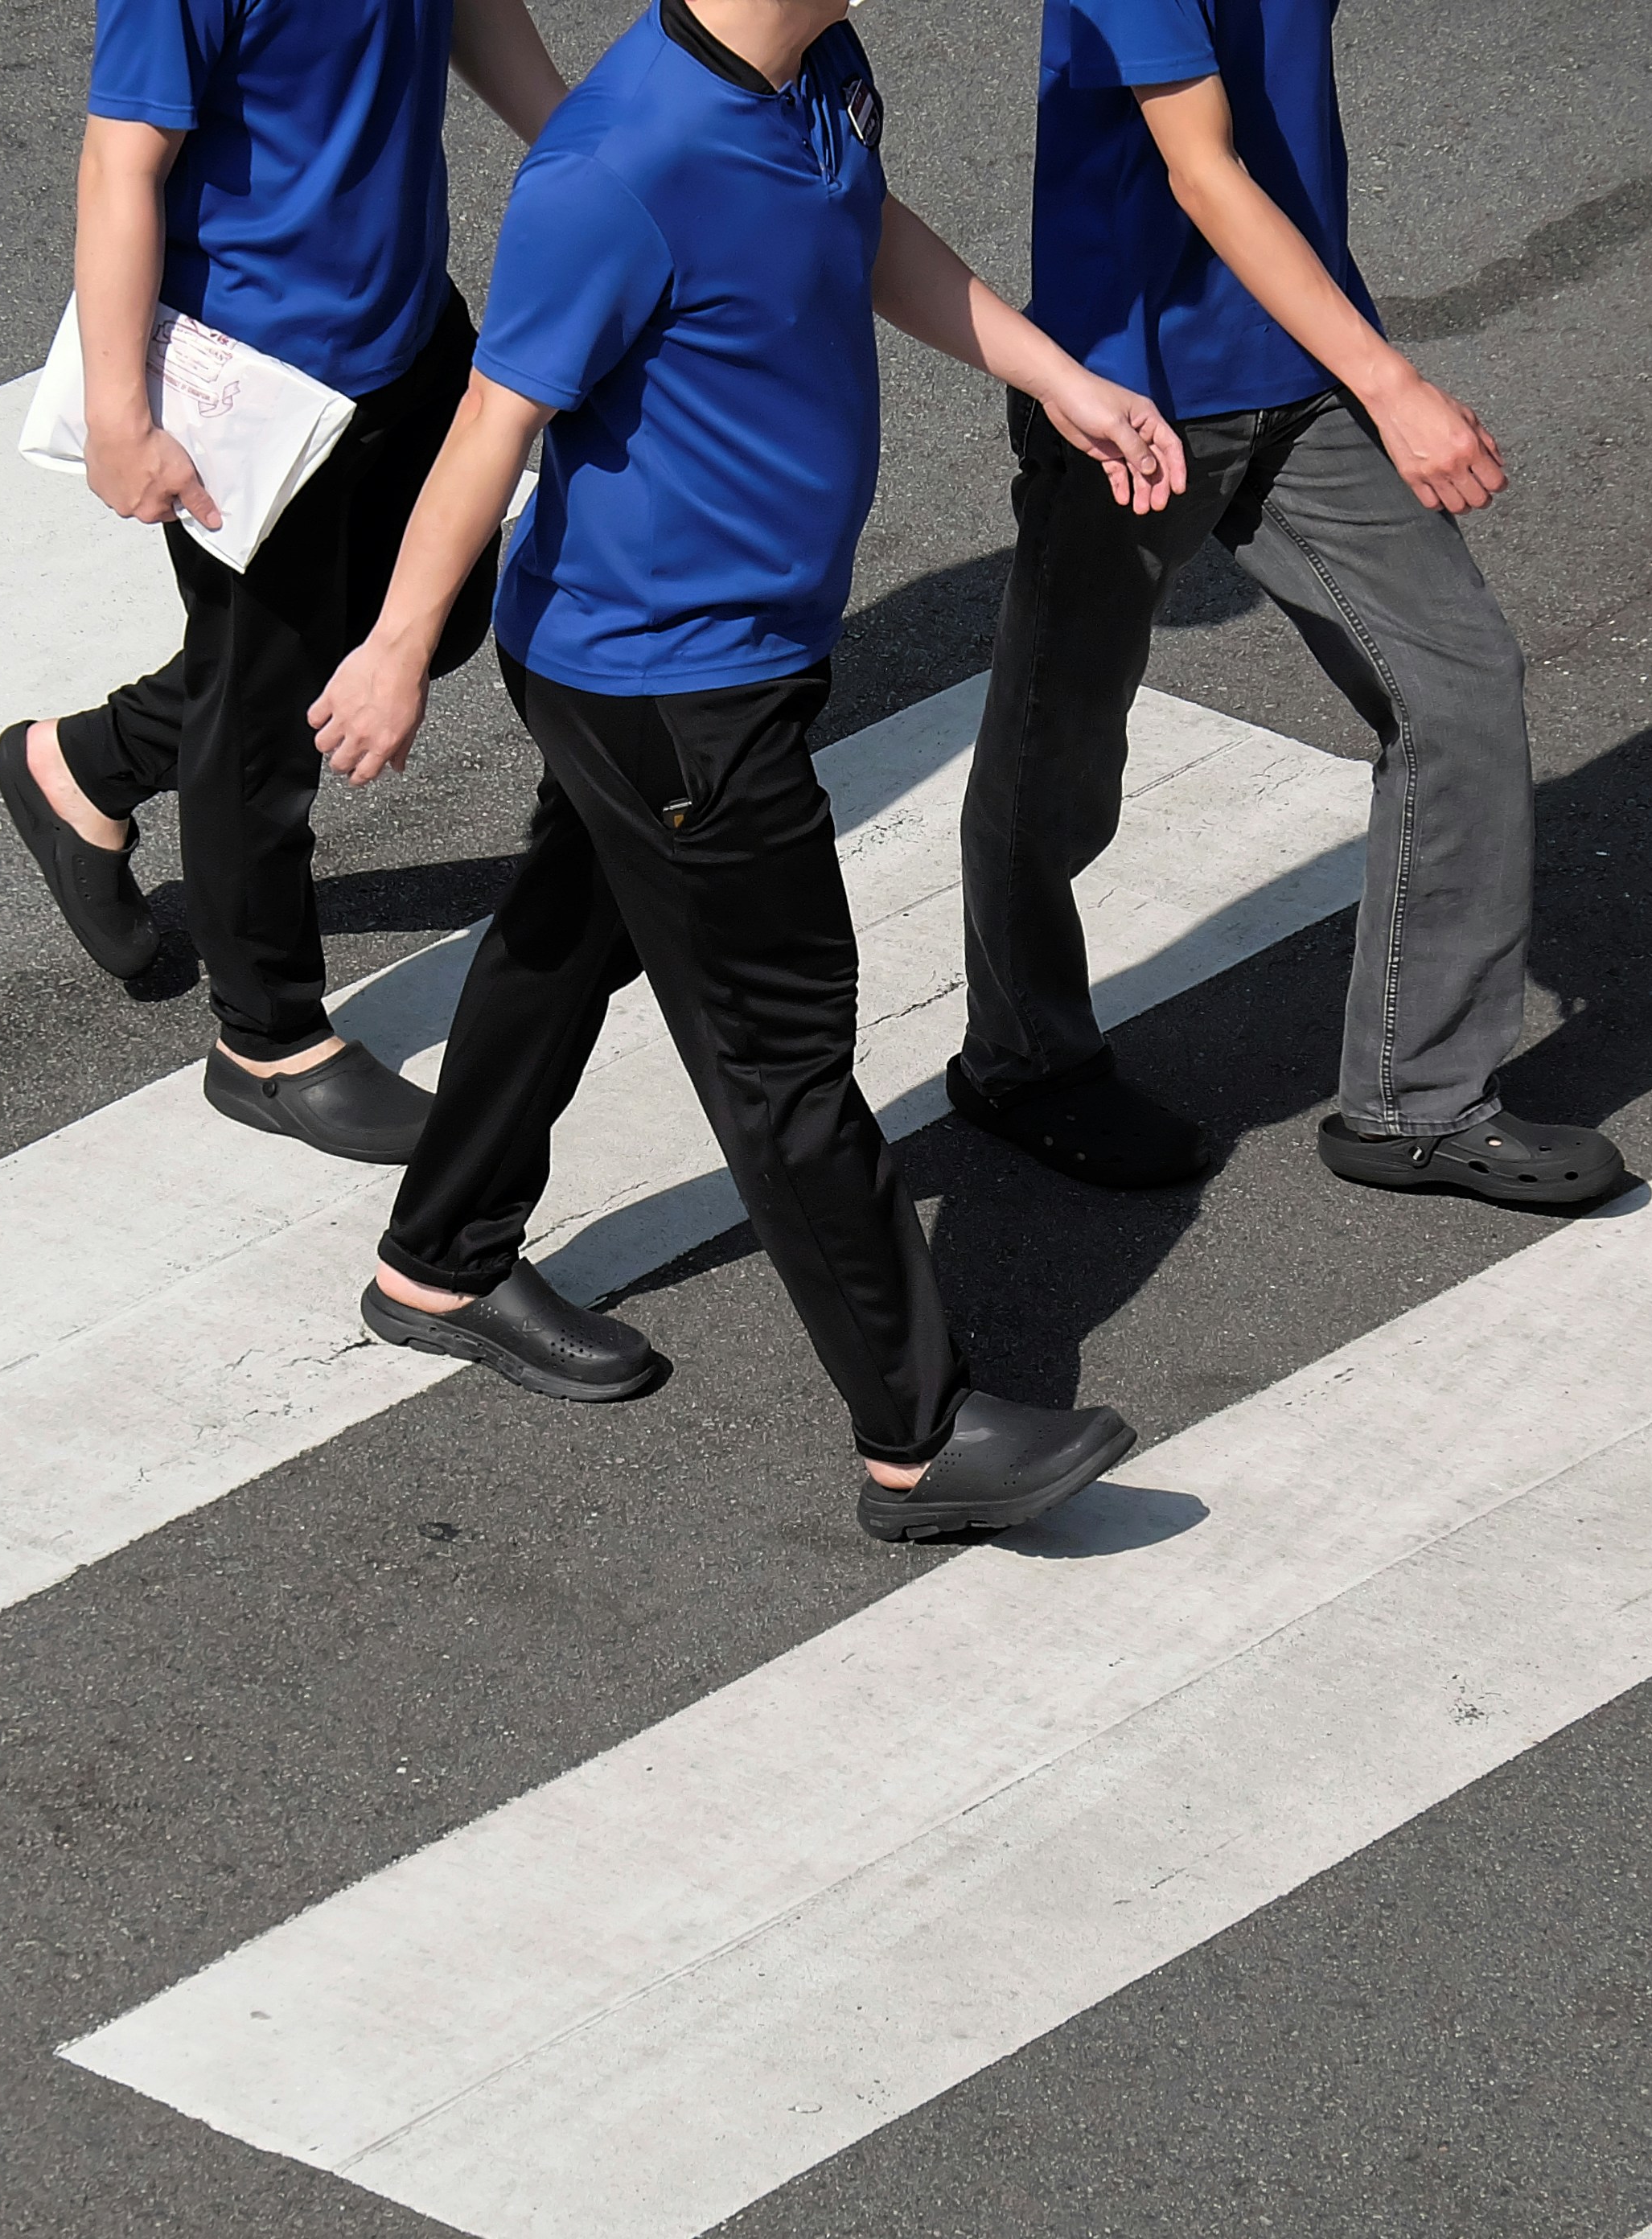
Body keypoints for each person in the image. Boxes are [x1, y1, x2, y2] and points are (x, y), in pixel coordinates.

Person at [305, 0, 1194, 1542]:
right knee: (782, 1052)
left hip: (727, 652)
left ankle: (438, 1256)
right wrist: (394, 648)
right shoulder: (614, 168)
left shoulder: (816, 68)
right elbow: (494, 418)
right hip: (669, 689)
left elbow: (866, 225)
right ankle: (918, 1437)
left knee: (566, 933)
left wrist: (1053, 374)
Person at [941, 0, 1623, 1207]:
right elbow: (1201, 168)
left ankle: (1417, 1103)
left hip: (1301, 361)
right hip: (1133, 393)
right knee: (1057, 747)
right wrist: (1392, 384)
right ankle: (1023, 1059)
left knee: (1460, 687)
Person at [0, 0, 568, 1164]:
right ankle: (265, 1040)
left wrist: (583, 147)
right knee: (262, 724)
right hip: (256, 388)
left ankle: (91, 762)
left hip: (408, 328)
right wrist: (119, 413)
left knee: (436, 620)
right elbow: (120, 161)